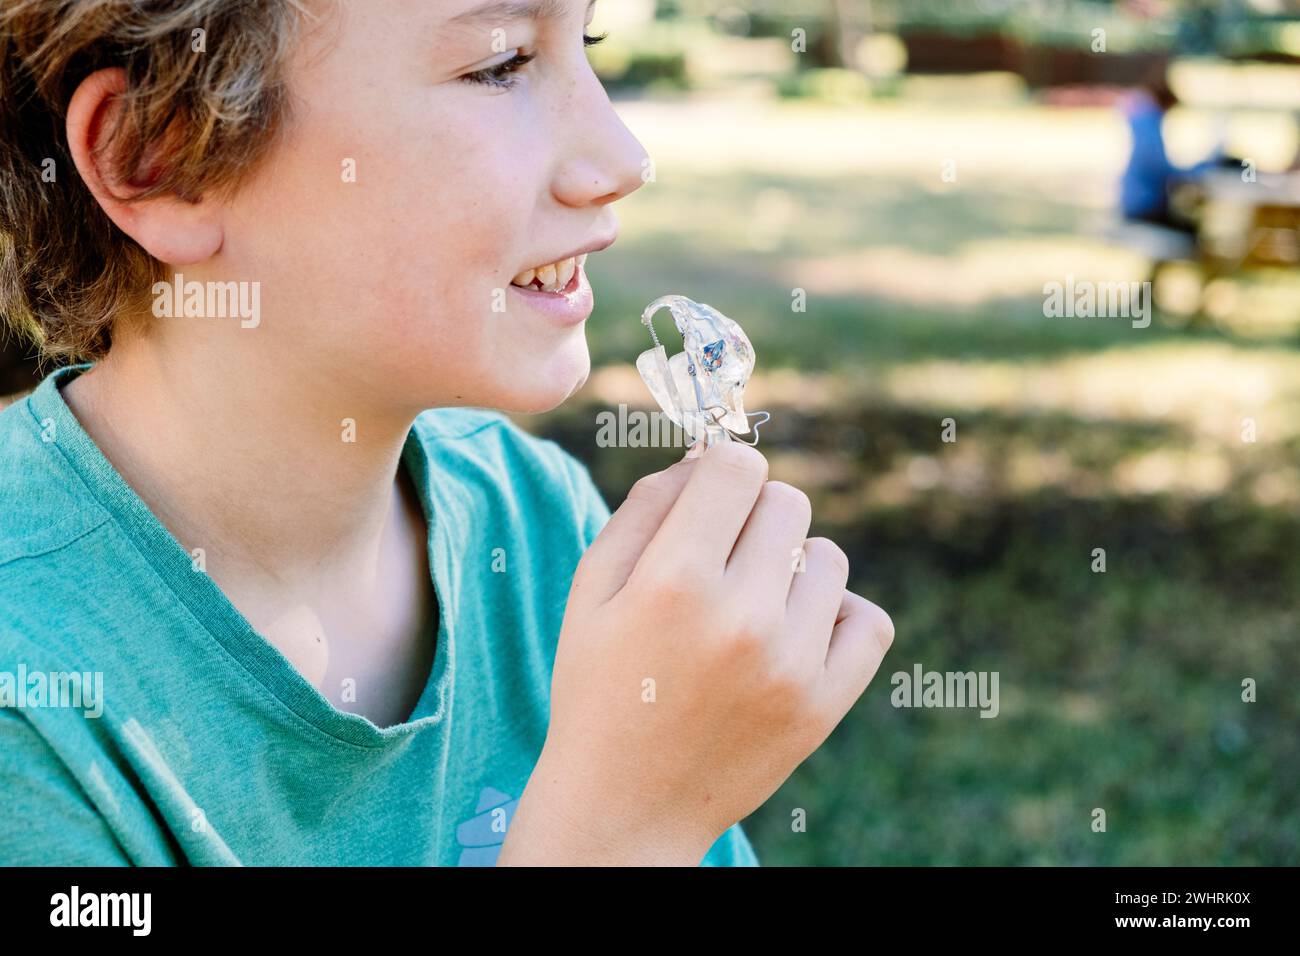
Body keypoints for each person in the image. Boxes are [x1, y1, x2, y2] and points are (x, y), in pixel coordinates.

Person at [0, 0, 895, 866]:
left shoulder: (538, 520)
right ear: (158, 154)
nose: (622, 158)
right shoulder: (29, 698)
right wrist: (626, 828)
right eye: (500, 63)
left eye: (587, 37)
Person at [1119, 73, 1220, 234]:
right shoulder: (1148, 125)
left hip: (1138, 205)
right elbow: (1158, 168)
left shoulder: (1143, 121)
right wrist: (1199, 169)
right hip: (1143, 209)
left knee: (1192, 219)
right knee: (1195, 230)